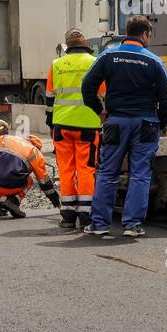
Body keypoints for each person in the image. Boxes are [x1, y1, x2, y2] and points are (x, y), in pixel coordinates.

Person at [80, 15, 167, 237]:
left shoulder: (108, 56)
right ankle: (132, 225)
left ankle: (100, 225)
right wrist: (162, 121)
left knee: (108, 172)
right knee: (140, 174)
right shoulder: (154, 61)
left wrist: (99, 110)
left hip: (116, 122)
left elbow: (87, 85)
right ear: (145, 34)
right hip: (146, 123)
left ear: (127, 32)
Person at [46, 28, 102, 230]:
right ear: (85, 44)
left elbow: (50, 97)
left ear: (67, 47)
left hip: (62, 126)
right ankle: (86, 215)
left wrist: (51, 121)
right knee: (85, 169)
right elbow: (102, 93)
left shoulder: (56, 64)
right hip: (88, 125)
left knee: (66, 169)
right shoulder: (94, 62)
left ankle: (68, 215)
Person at [0, 133, 60, 219]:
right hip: (10, 187)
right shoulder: (36, 153)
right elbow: (44, 182)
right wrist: (56, 201)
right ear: (38, 147)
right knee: (29, 180)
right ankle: (13, 202)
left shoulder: (7, 139)